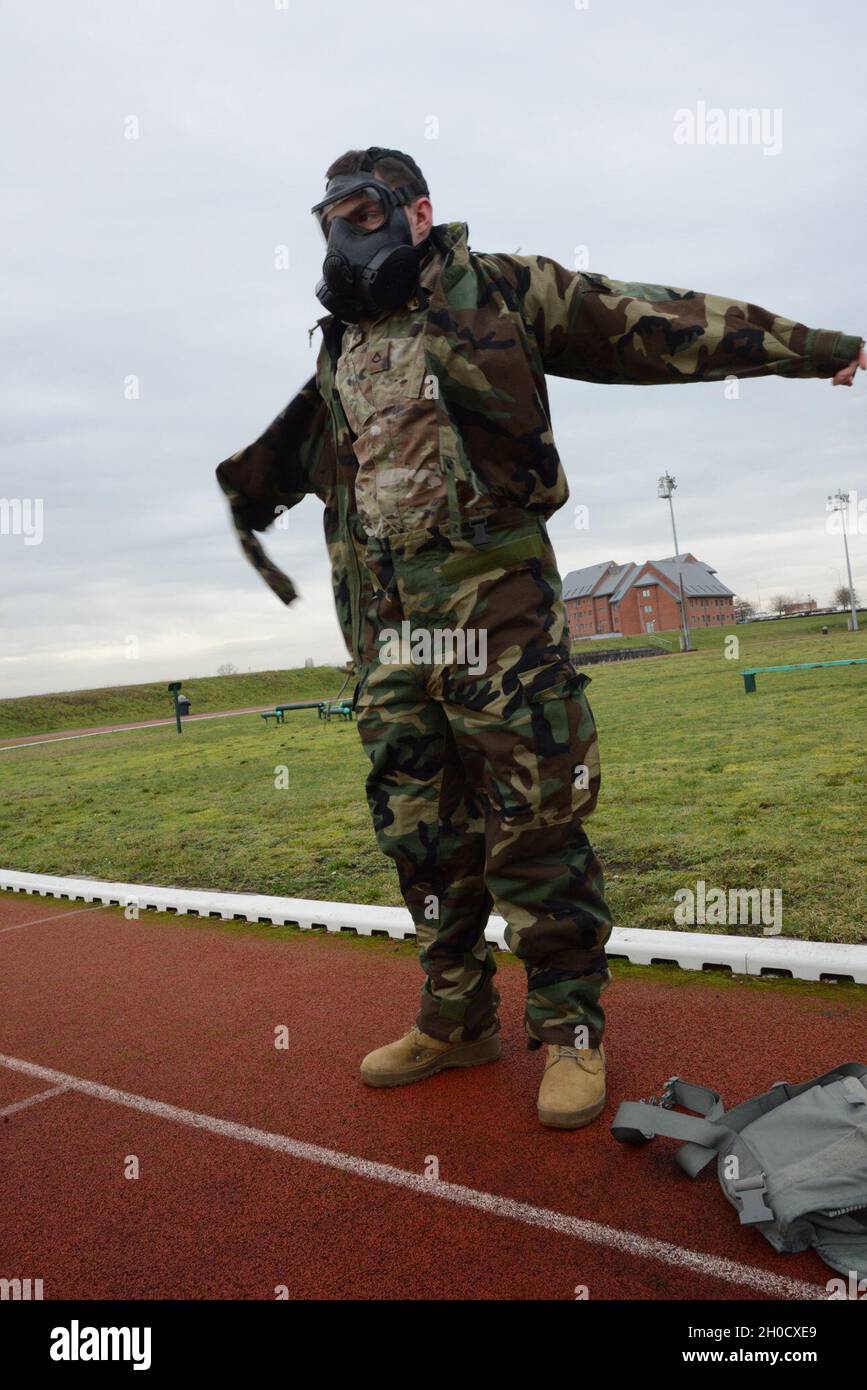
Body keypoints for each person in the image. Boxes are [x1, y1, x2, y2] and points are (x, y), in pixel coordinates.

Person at [217, 146, 864, 1129]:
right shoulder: (342, 338)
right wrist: (255, 482)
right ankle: (455, 1014)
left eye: (364, 210)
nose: (348, 232)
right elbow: (315, 442)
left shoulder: (504, 291)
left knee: (535, 819)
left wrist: (816, 346)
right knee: (421, 830)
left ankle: (571, 1030)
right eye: (332, 216)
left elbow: (656, 321)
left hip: (496, 608)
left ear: (417, 211)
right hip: (387, 630)